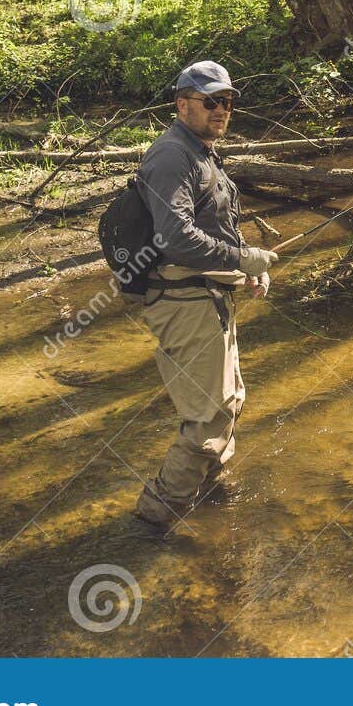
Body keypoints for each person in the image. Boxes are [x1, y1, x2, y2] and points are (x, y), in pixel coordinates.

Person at [132, 60, 279, 530]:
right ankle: (155, 518)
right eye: (211, 101)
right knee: (207, 419)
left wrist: (244, 274)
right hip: (182, 300)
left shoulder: (202, 151)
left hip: (207, 293)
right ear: (182, 105)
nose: (222, 109)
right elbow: (176, 239)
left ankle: (215, 497)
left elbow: (214, 227)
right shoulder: (172, 155)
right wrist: (243, 258)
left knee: (230, 399)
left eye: (228, 101)